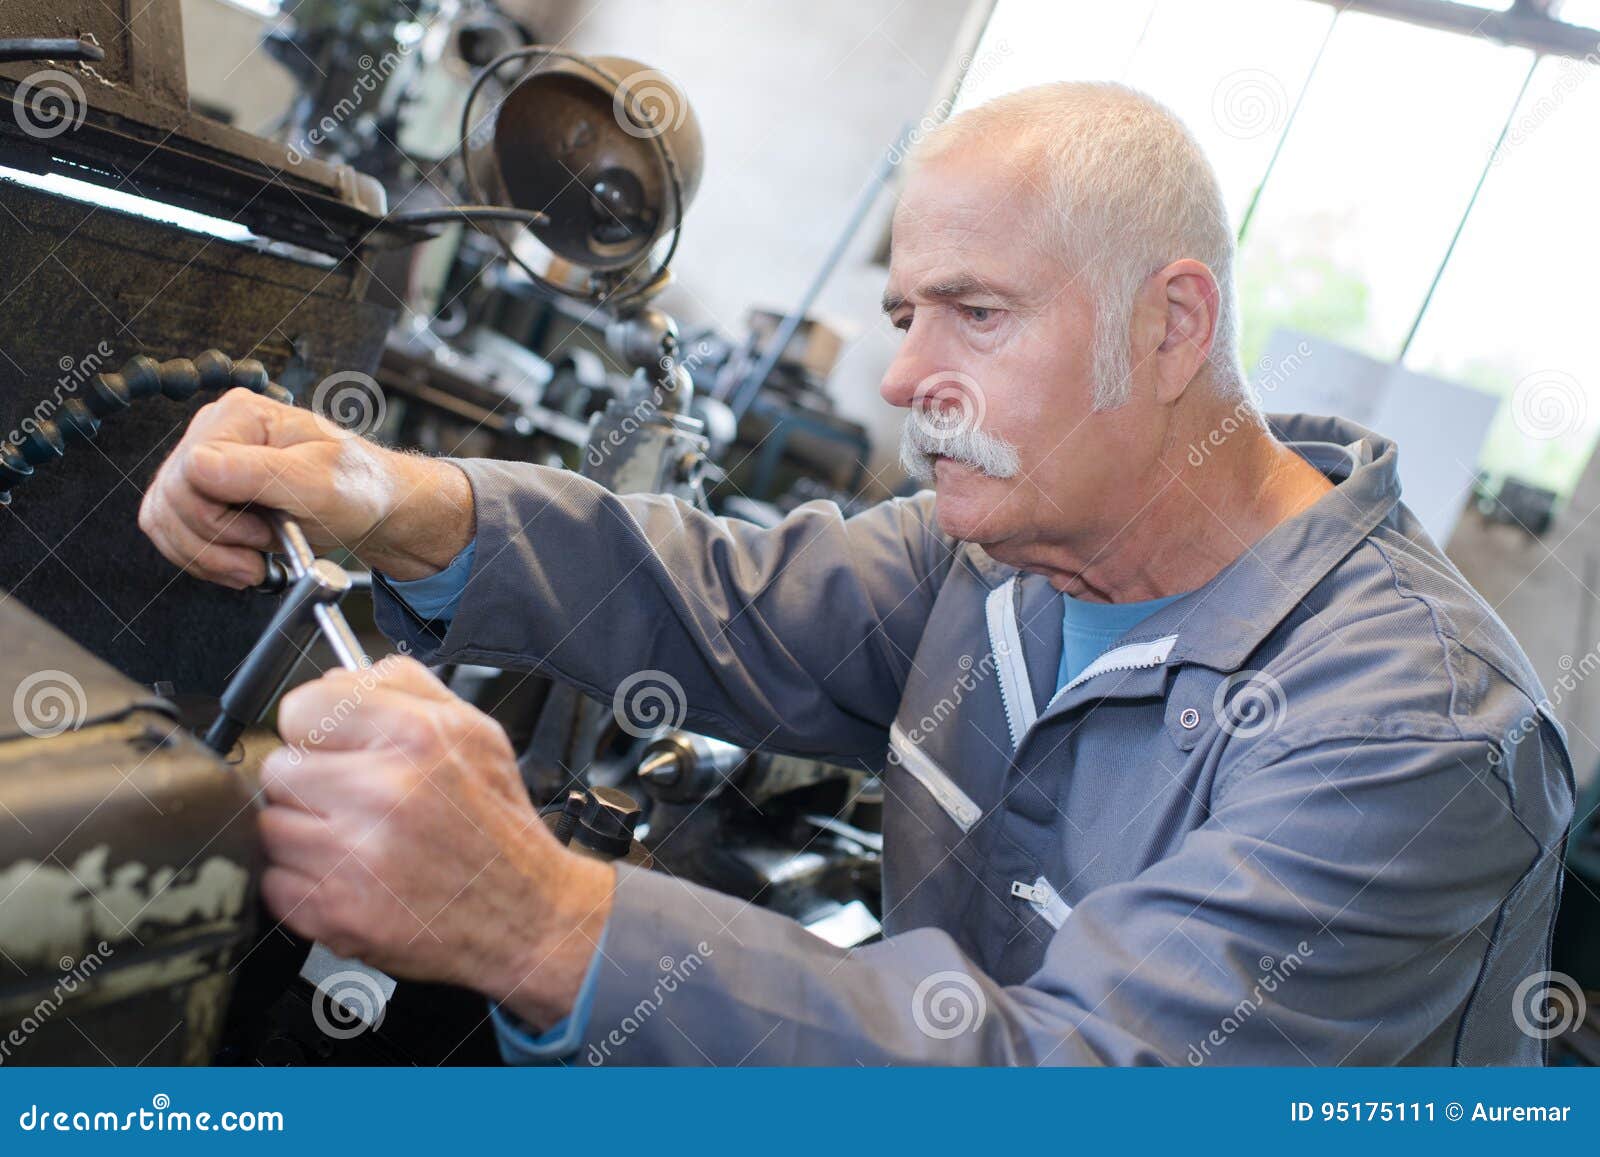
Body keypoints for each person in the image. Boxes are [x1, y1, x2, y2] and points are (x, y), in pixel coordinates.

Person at [139, 82, 1573, 1065]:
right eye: (902, 314)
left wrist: (543, 917)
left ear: (1168, 323)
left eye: (975, 312)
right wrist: (386, 492)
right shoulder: (1001, 555)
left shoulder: (1416, 734)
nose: (903, 376)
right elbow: (717, 597)